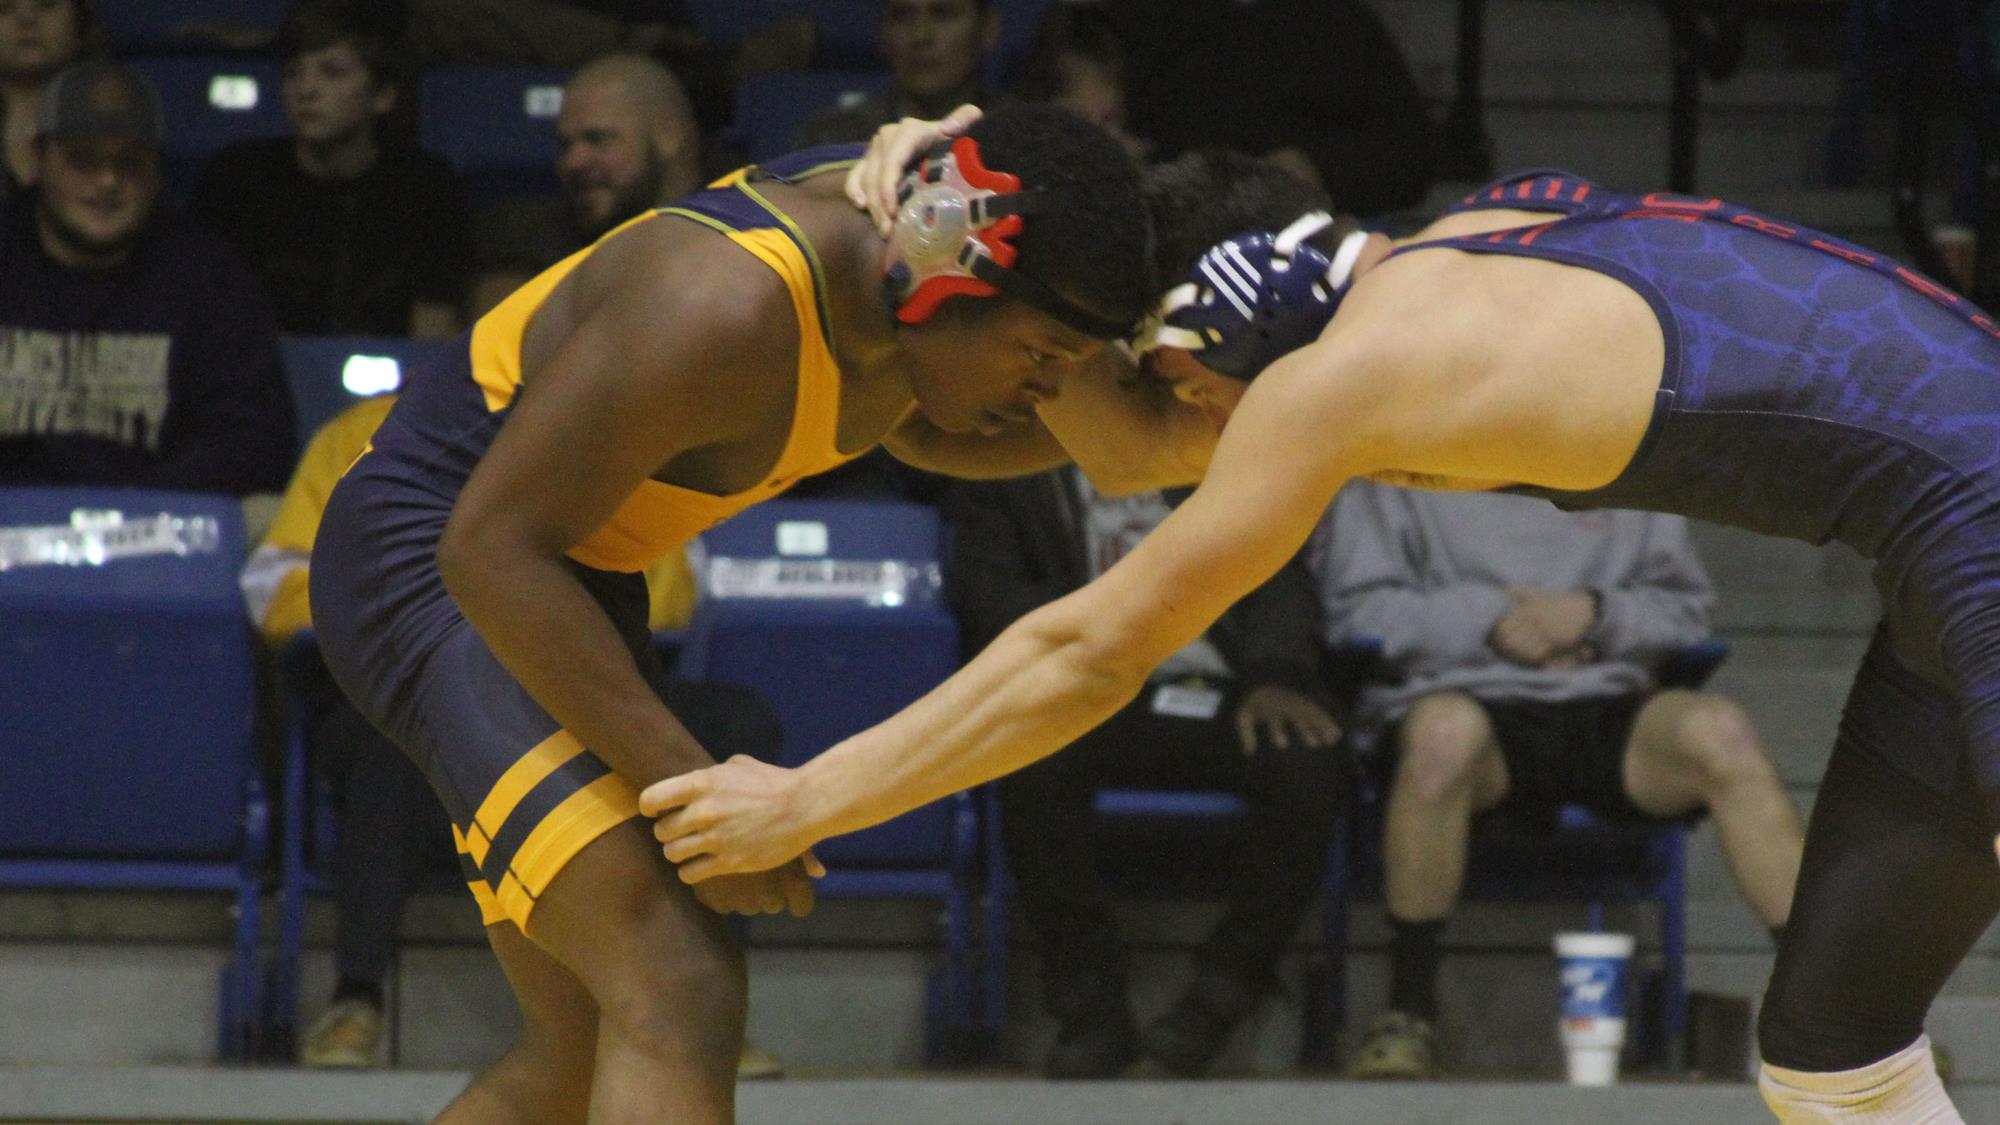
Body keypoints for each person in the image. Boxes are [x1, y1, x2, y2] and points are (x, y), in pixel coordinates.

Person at [649, 111, 2000, 1122]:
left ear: (1228, 311)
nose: (1190, 422)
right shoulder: (1461, 255)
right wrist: (934, 190)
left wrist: (809, 799)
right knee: (1834, 1063)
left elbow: (1088, 647)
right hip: (1943, 550)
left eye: (1174, 377)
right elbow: (1125, 455)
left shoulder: (1350, 374)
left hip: (1978, 521)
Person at [307, 104, 1157, 1122]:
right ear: (947, 272)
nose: (1054, 390)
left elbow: (1012, 436)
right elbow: (486, 550)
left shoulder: (903, 276)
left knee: (583, 1049)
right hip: (438, 567)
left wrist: (1208, 423)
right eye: (1044, 354)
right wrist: (698, 790)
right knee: (677, 982)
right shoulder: (721, 306)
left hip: (559, 572)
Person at [242, 394, 787, 1075]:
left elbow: (675, 591)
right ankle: (356, 996)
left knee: (731, 724)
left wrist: (546, 610)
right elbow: (277, 586)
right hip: (416, 673)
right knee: (395, 745)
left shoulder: (610, 425)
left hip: (574, 681)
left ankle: (705, 1009)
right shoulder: (359, 434)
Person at [1313, 481, 1803, 1079]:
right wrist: (1490, 618)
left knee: (1722, 732)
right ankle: (1408, 1009)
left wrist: (1593, 615)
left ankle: (1831, 1006)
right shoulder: (1387, 473)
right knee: (1442, 737)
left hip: (1608, 697)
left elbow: (1686, 612)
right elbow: (1356, 614)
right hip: (1459, 699)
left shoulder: (1625, 467)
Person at [949, 466, 1343, 1078]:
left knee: (1307, 758)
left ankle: (1221, 995)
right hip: (1089, 687)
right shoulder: (1010, 468)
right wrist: (1092, 641)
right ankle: (1091, 1008)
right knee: (1030, 759)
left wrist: (1274, 673)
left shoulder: (1214, 455)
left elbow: (1281, 575)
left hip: (1222, 685)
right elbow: (989, 594)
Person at [0, 61, 296, 494]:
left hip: (163, 518)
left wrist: (134, 507)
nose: (107, 181)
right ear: (37, 159)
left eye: (129, 163)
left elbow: (254, 441)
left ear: (157, 171)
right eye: (83, 160)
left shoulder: (209, 275)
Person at [191, 2, 470, 339]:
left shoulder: (428, 187)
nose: (306, 90)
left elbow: (434, 328)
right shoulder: (237, 178)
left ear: (382, 96)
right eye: (293, 72)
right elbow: (210, 315)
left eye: (332, 72)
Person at [465, 51, 701, 322]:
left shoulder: (735, 232)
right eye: (565, 146)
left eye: (597, 139)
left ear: (668, 136)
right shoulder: (531, 253)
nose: (573, 162)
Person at [793, 0, 1008, 150]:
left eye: (943, 13)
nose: (921, 36)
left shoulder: (1015, 133)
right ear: (882, 31)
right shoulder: (833, 137)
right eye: (903, 16)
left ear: (988, 28)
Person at [0, 0, 98, 207]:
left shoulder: (117, 113)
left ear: (79, 20)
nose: (27, 20)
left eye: (46, 5)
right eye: (5, 9)